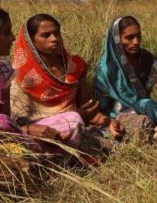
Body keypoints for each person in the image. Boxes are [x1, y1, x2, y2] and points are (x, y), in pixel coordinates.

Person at [10, 14, 122, 150]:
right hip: (40, 132)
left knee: (137, 123)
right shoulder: (21, 74)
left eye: (57, 33)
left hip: (75, 124)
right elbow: (17, 122)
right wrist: (76, 116)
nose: (54, 39)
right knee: (72, 122)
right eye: (46, 35)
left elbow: (86, 111)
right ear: (31, 41)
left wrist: (108, 121)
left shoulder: (75, 66)